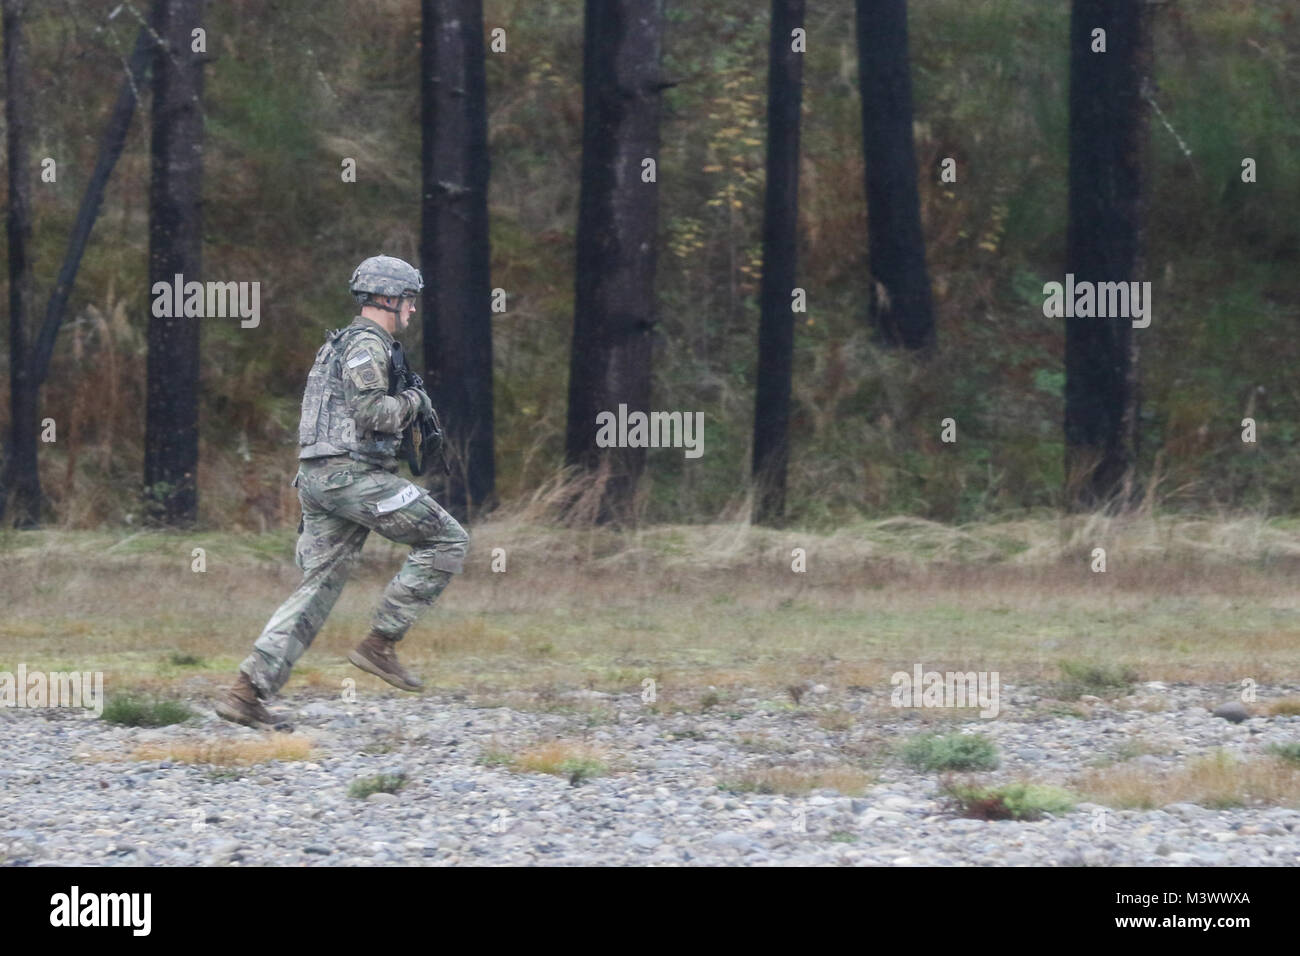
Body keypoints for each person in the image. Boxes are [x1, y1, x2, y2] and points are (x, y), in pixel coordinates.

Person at [216, 255, 468, 729]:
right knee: (448, 540)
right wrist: (417, 400)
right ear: (387, 300)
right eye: (408, 301)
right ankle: (381, 644)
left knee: (316, 589)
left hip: (324, 479)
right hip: (351, 478)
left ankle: (246, 693)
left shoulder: (346, 345)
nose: (412, 310)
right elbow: (373, 413)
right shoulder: (366, 346)